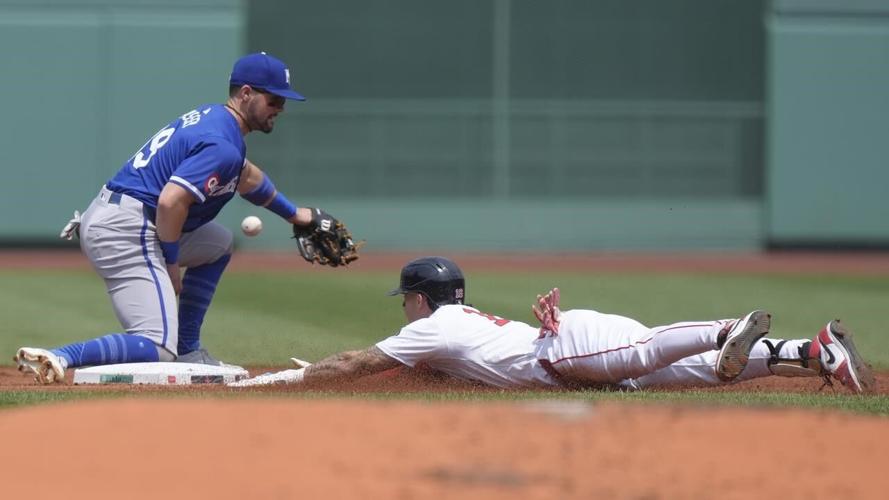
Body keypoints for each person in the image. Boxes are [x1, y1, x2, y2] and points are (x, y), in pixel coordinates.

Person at [15, 52, 344, 384]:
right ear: (246, 93)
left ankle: (189, 349)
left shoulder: (217, 120)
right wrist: (172, 264)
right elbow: (171, 202)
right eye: (274, 99)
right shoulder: (222, 142)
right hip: (128, 227)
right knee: (157, 345)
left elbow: (246, 177)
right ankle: (60, 356)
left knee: (219, 243)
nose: (281, 108)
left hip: (125, 216)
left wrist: (295, 215)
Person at [228, 256, 875, 393]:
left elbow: (352, 364)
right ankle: (811, 352)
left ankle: (722, 327)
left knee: (649, 351)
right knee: (693, 374)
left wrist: (287, 382)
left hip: (564, 354)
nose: (403, 308)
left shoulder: (430, 327)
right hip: (562, 348)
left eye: (405, 299)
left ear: (420, 299)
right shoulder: (457, 328)